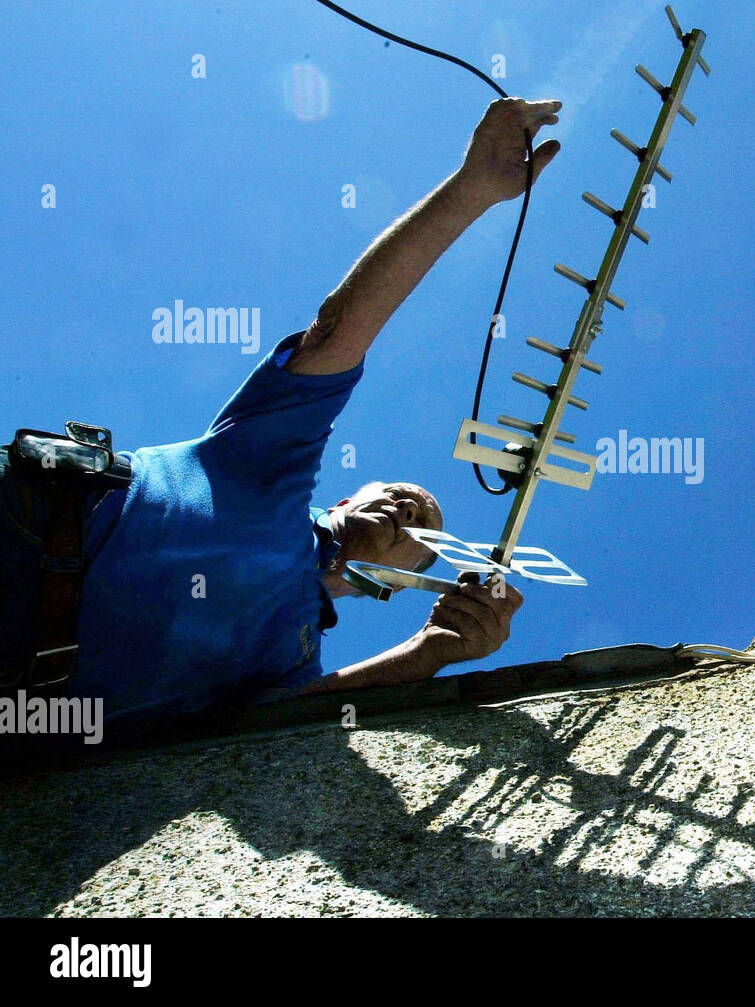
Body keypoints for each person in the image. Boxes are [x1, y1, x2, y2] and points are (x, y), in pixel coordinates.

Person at [0, 97, 564, 729]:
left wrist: (431, 652)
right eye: (404, 495)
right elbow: (334, 334)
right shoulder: (268, 467)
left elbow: (271, 726)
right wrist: (473, 191)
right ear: (352, 496)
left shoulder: (293, 654)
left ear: (400, 583)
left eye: (420, 528)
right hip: (24, 522)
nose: (408, 510)